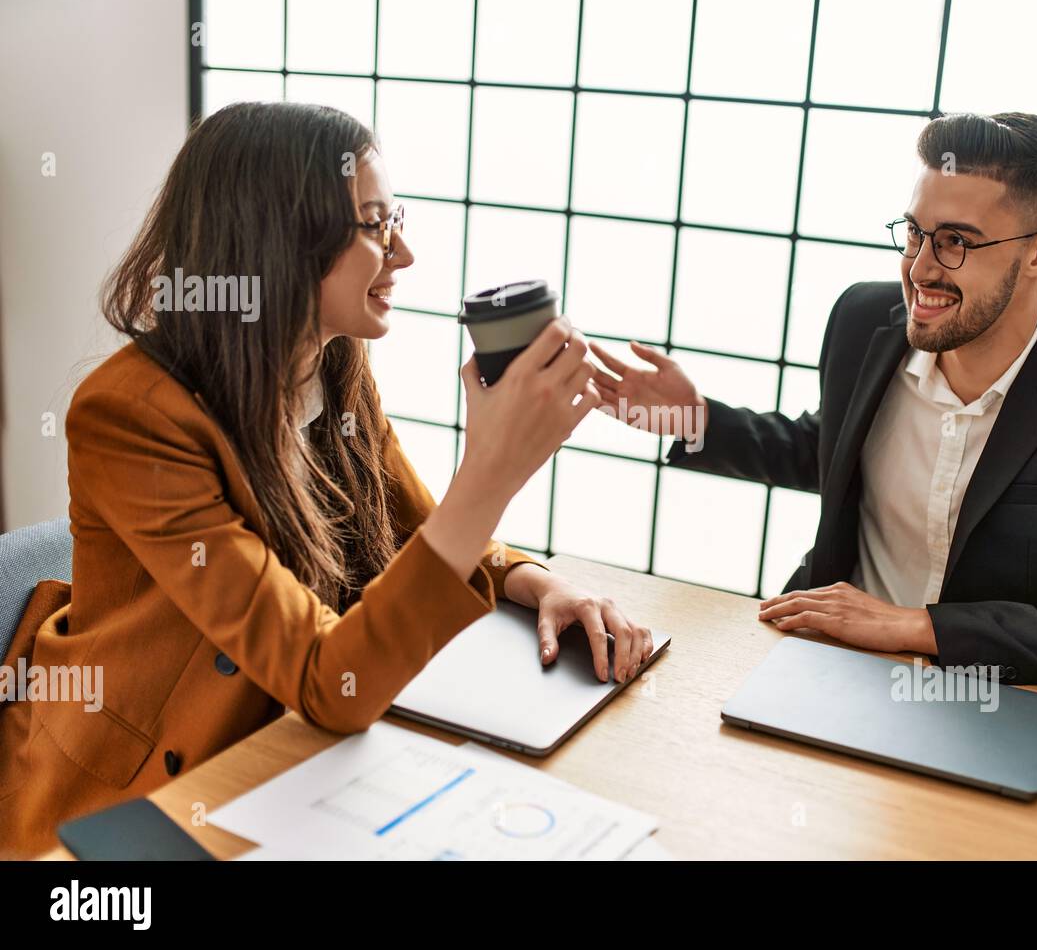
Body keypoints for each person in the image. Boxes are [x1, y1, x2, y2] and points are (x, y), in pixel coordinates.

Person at [0, 102, 652, 857]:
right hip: (140, 790)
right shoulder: (130, 417)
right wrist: (493, 473)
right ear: (283, 244)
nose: (403, 253)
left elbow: (416, 527)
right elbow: (326, 682)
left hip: (288, 757)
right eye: (374, 226)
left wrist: (535, 580)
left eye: (394, 217)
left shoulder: (331, 358)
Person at [592, 111, 1037, 702]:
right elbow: (830, 453)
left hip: (993, 697)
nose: (919, 268)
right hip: (824, 663)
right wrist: (695, 420)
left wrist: (914, 627)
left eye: (956, 242)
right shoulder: (864, 322)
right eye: (914, 232)